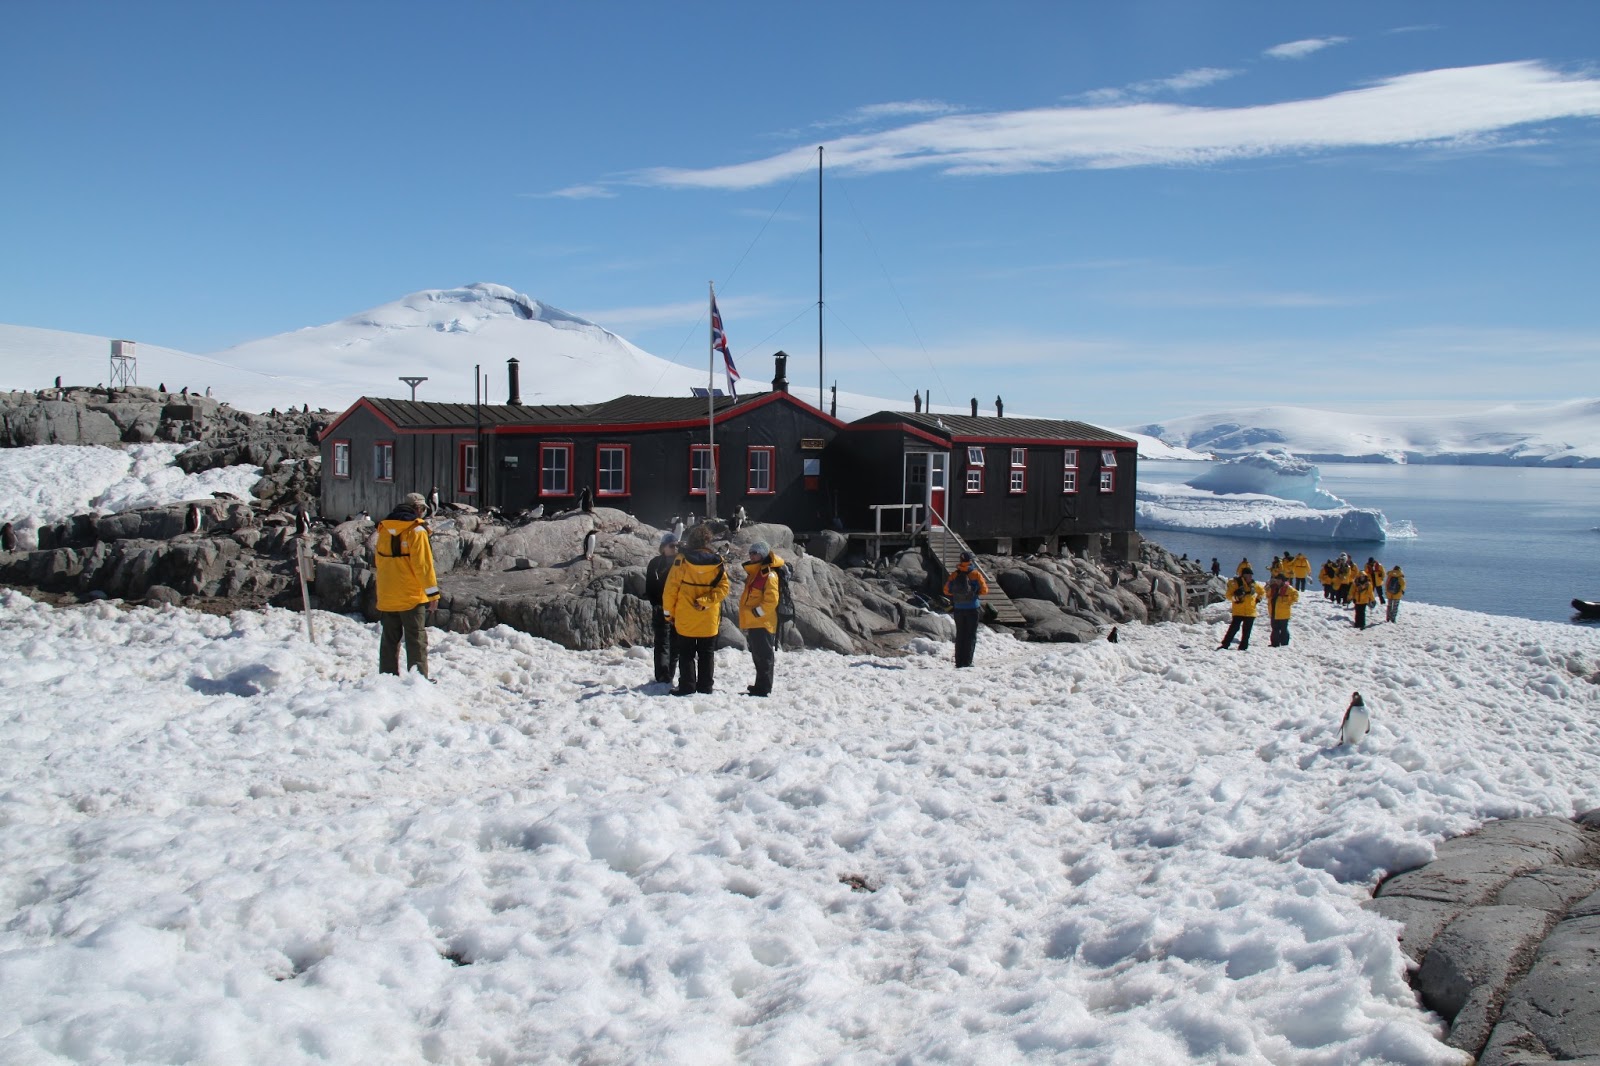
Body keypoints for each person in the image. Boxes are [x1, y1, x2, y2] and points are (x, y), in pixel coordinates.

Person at [374, 492, 440, 678]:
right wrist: (433, 595)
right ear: (418, 509)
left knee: (389, 638)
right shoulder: (416, 531)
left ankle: (387, 678)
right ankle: (418, 679)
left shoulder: (384, 529)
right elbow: (423, 566)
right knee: (416, 639)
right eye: (423, 509)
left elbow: (379, 562)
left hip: (388, 594)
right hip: (411, 596)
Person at [663, 523, 730, 695]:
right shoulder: (718, 561)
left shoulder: (682, 560)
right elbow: (723, 588)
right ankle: (705, 686)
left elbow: (671, 589)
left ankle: (687, 686)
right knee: (706, 654)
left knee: (686, 653)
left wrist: (668, 613)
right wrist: (706, 601)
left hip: (686, 616)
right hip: (708, 616)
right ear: (708, 540)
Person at [739, 541, 782, 696]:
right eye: (750, 552)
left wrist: (757, 613)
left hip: (763, 622)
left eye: (755, 552)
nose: (751, 555)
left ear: (762, 554)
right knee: (757, 655)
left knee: (764, 656)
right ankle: (759, 685)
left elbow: (772, 600)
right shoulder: (756, 573)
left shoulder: (769, 575)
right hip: (755, 621)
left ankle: (764, 688)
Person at [944, 550, 989, 668]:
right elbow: (985, 590)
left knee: (960, 635)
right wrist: (975, 592)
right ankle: (967, 662)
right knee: (970, 635)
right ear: (971, 561)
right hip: (972, 608)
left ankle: (959, 662)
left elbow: (946, 590)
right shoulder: (975, 574)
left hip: (958, 608)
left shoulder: (955, 574)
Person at [644, 532, 679, 684]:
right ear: (663, 547)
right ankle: (662, 675)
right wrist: (655, 604)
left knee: (675, 642)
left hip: (678, 608)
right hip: (661, 607)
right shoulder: (655, 563)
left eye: (677, 545)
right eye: (672, 545)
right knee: (662, 641)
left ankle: (669, 674)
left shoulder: (682, 562)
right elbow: (650, 586)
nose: (675, 548)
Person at [1218, 567, 1263, 651]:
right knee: (1234, 628)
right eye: (1248, 575)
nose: (1250, 577)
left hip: (1250, 611)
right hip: (1239, 611)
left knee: (1247, 630)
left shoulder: (1254, 584)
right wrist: (1236, 598)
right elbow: (1228, 595)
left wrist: (1258, 599)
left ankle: (1243, 647)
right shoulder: (1235, 584)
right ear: (1243, 575)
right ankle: (1225, 645)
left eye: (1251, 575)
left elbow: (1262, 591)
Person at [1267, 572, 1299, 648]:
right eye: (1277, 579)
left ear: (1283, 580)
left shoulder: (1288, 588)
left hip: (1283, 612)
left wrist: (1288, 602)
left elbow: (1295, 595)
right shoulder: (1273, 587)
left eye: (1279, 580)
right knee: (1275, 629)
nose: (1277, 581)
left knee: (1283, 629)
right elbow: (1267, 595)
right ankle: (1275, 643)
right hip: (1274, 611)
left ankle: (1284, 644)